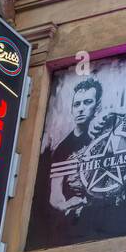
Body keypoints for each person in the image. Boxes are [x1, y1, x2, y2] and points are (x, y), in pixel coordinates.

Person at [45, 76, 103, 217]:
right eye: (77, 104)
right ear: (71, 109)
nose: (81, 109)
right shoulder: (62, 149)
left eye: (87, 102)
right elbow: (55, 195)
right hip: (81, 219)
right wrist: (65, 204)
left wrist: (114, 112)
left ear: (98, 106)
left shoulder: (106, 131)